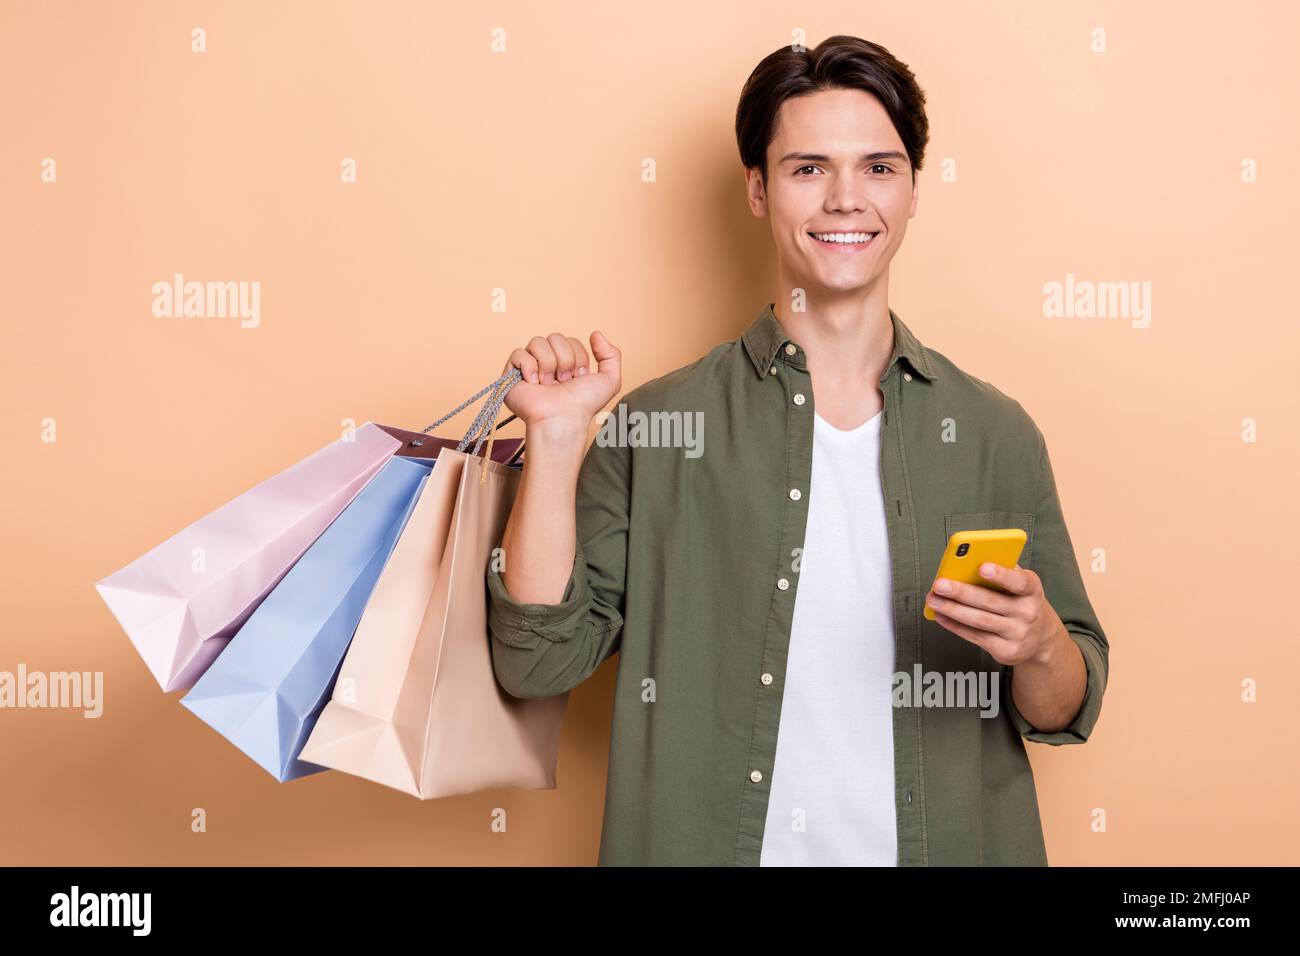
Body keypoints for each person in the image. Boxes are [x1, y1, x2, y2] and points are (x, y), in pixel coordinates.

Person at [485, 34, 1109, 866]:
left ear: (915, 189)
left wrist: (1038, 647)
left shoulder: (996, 433)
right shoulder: (658, 426)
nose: (846, 199)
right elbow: (537, 663)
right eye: (808, 168)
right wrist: (558, 441)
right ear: (757, 188)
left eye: (879, 167)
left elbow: (1063, 708)